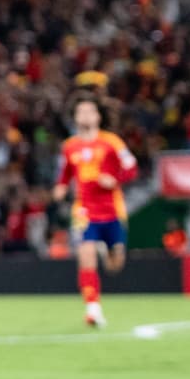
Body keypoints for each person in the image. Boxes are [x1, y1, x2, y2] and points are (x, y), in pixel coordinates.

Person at [50, 94, 137, 328]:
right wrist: (59, 188)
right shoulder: (69, 147)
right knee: (85, 256)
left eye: (90, 111)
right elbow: (64, 174)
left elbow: (132, 168)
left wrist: (115, 180)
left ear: (98, 116)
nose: (85, 115)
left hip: (112, 211)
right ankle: (93, 309)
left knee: (114, 265)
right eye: (81, 112)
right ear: (76, 117)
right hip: (84, 211)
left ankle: (104, 249)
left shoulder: (112, 142)